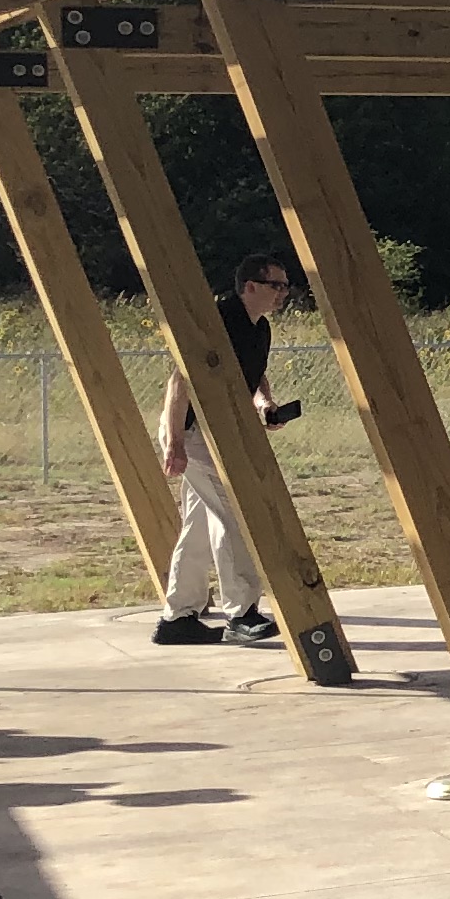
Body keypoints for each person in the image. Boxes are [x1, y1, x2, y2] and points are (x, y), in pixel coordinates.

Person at [153, 254, 302, 648]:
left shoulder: (259, 328)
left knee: (199, 526)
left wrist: (265, 405)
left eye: (286, 286)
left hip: (219, 432)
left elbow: (255, 374)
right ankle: (241, 613)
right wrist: (176, 443)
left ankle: (177, 619)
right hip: (194, 432)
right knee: (233, 512)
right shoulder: (218, 322)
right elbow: (178, 383)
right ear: (250, 286)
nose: (283, 293)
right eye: (277, 286)